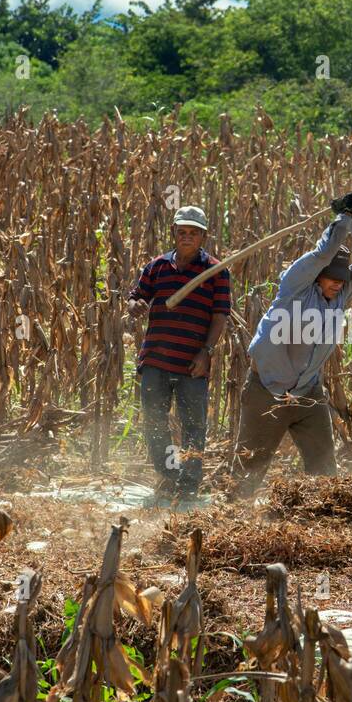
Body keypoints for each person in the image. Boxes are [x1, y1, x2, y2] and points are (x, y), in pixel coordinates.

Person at [231, 191, 352, 498]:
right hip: (267, 390)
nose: (338, 282)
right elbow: (323, 255)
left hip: (307, 393)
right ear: (318, 277)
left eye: (342, 278)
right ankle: (230, 520)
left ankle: (321, 521)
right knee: (248, 471)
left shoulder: (339, 294)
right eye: (331, 278)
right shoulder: (295, 287)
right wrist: (340, 218)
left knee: (324, 469)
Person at [126, 205, 230, 502]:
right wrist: (134, 306)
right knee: (155, 420)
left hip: (192, 362)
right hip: (156, 359)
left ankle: (189, 485)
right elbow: (136, 297)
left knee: (193, 424)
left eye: (193, 233)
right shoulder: (157, 267)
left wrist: (206, 351)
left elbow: (220, 315)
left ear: (203, 236)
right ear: (174, 233)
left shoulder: (216, 271)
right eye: (182, 232)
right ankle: (168, 474)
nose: (186, 237)